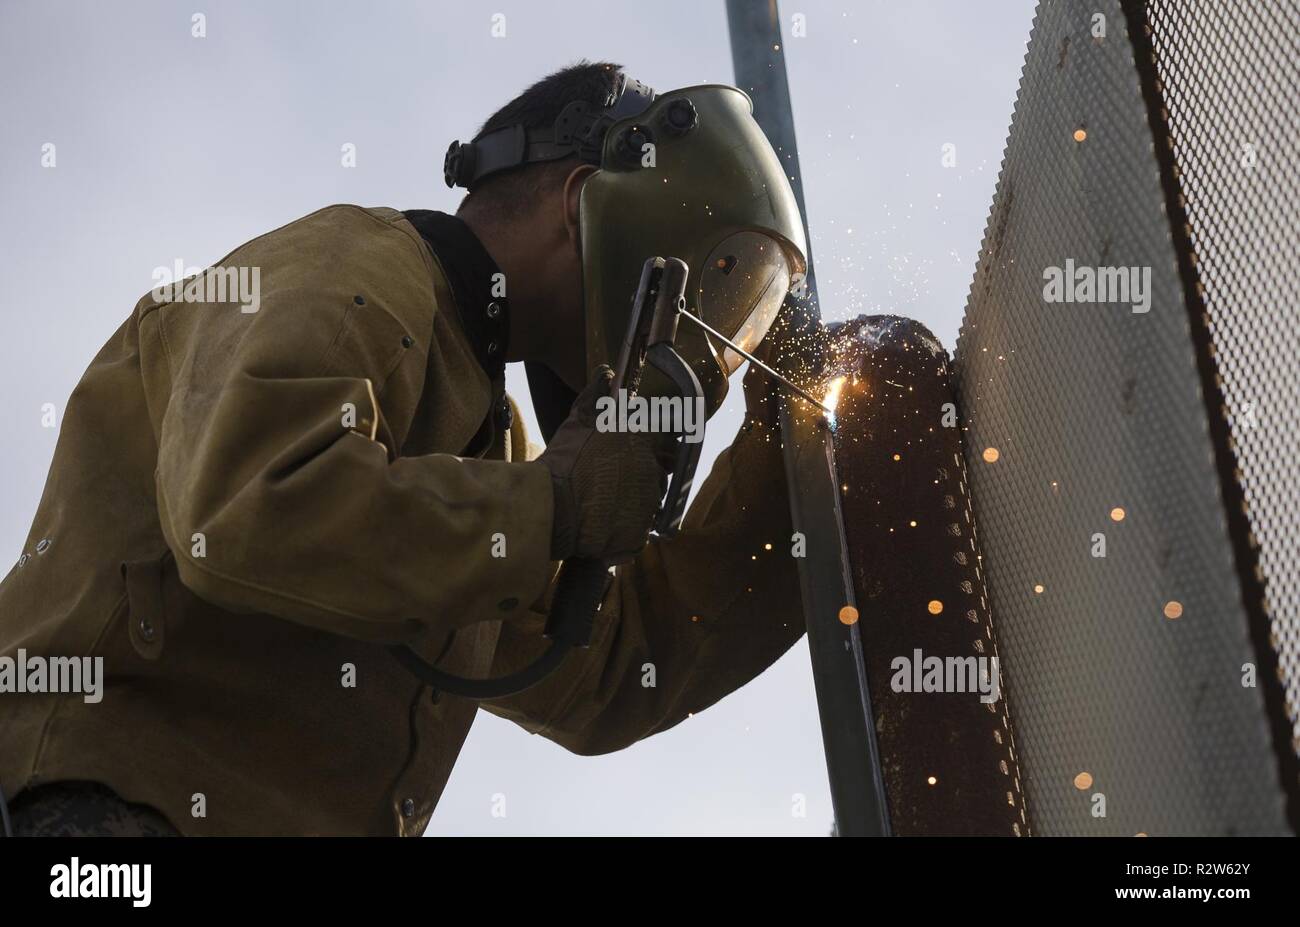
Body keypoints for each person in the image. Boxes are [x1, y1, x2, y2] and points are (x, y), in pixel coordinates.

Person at [0, 61, 809, 836]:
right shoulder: (357, 264)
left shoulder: (491, 448)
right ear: (581, 201)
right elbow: (253, 500)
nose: (707, 343)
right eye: (710, 285)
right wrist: (555, 503)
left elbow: (616, 661)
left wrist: (794, 470)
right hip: (84, 809)